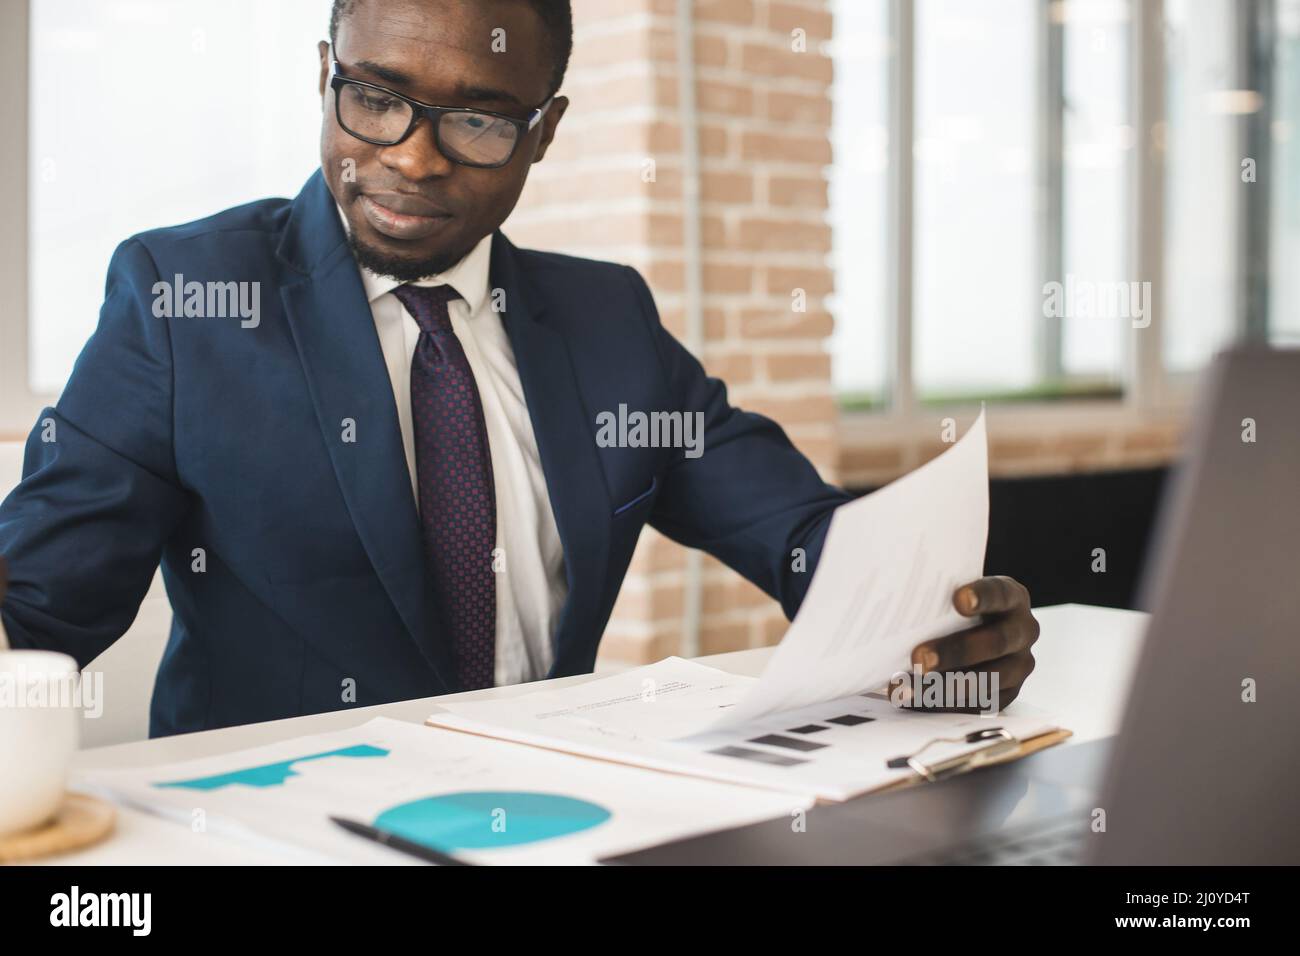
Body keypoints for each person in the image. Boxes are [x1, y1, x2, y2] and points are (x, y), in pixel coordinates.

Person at [0, 0, 1037, 737]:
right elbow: (38, 606)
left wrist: (926, 617)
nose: (411, 156)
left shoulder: (606, 319)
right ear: (327, 75)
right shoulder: (184, 299)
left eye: (481, 119)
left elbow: (800, 535)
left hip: (550, 823)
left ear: (544, 132)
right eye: (376, 96)